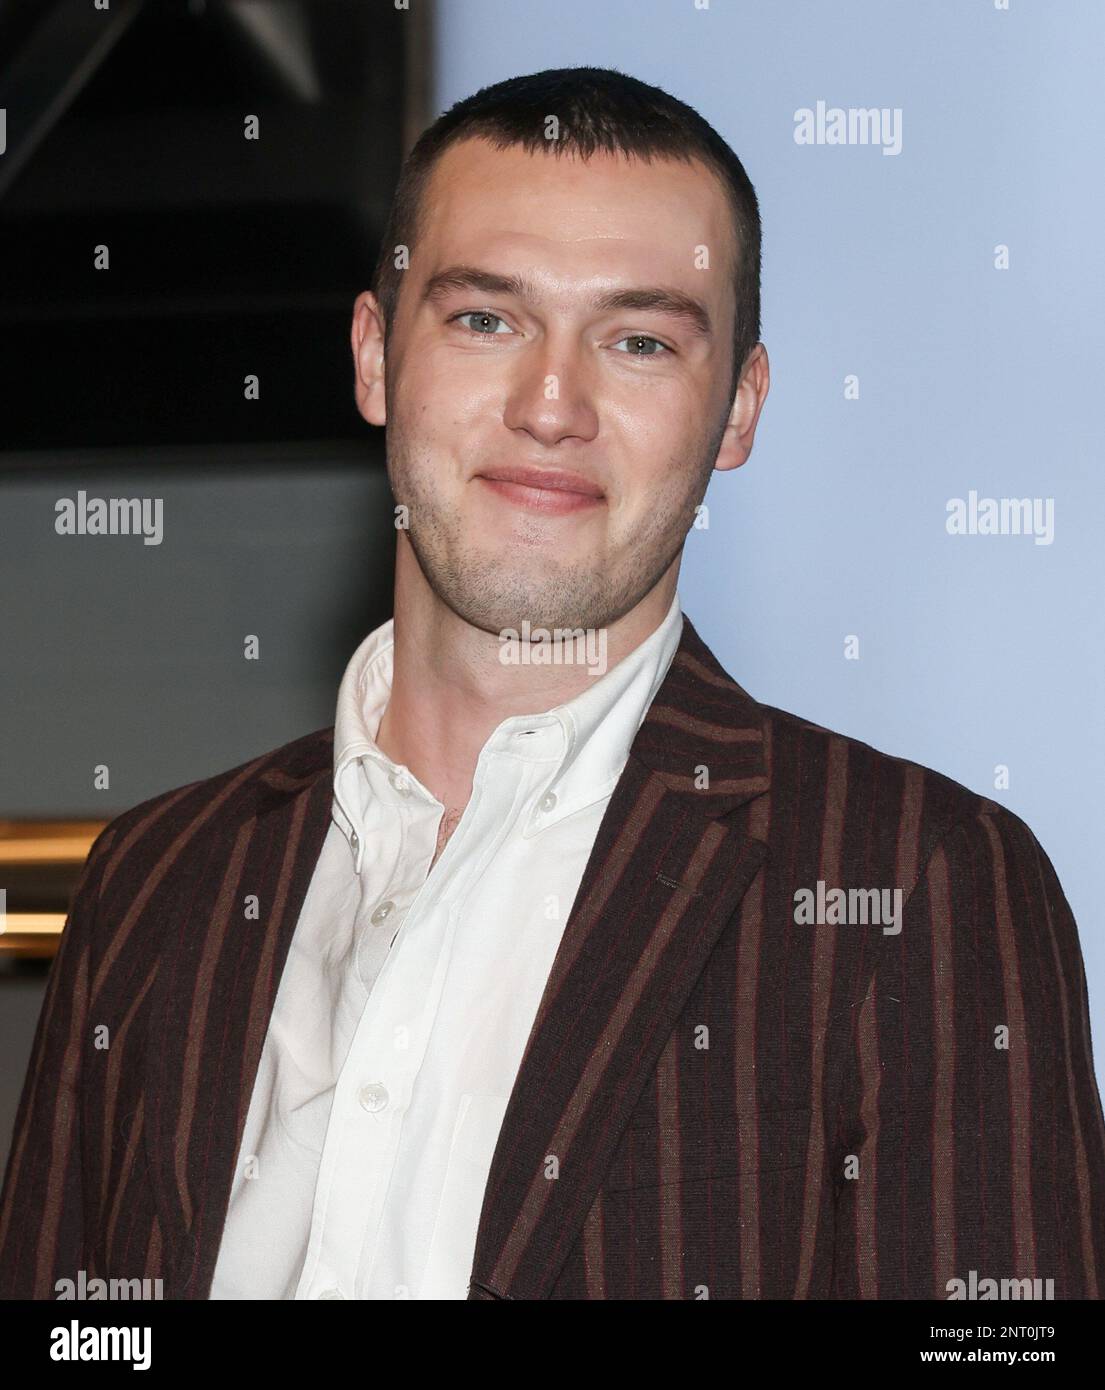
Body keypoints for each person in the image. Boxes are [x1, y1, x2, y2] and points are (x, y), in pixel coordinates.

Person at [2, 66, 1103, 1302]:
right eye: (485, 319)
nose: (550, 406)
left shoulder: (916, 881)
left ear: (737, 410)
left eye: (637, 341)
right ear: (373, 357)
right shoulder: (156, 882)